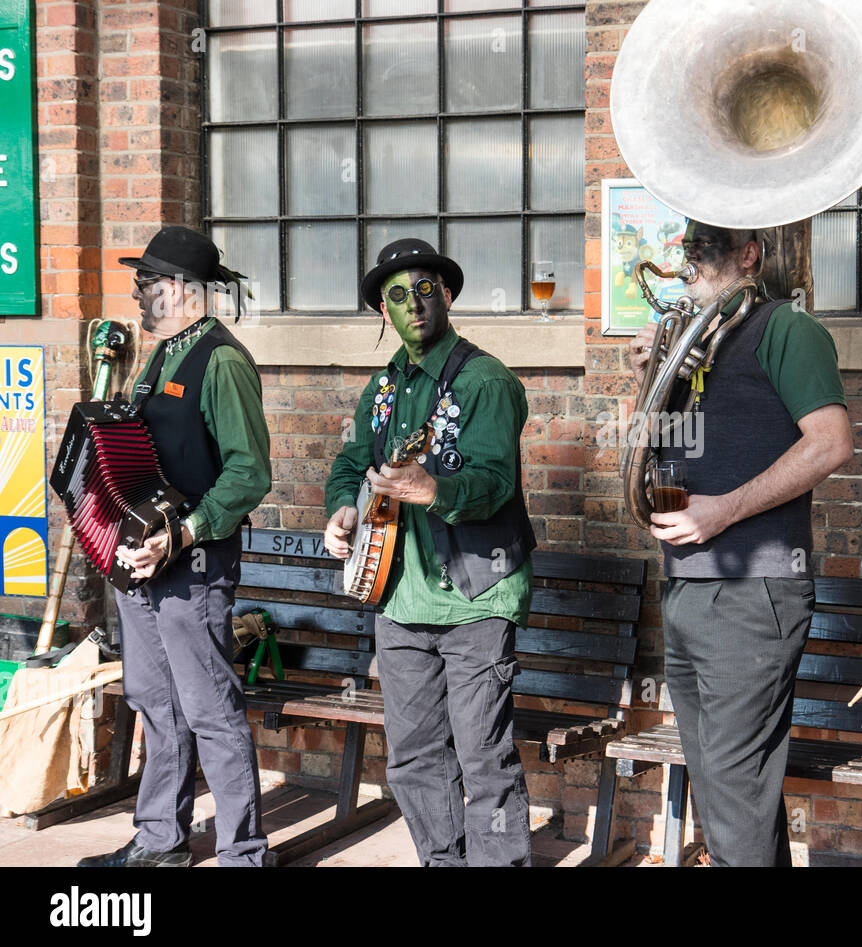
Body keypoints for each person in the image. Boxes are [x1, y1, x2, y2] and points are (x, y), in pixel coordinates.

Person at [627, 219, 854, 866]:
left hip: (752, 592)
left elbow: (831, 443)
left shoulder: (788, 328)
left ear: (748, 255)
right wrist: (650, 376)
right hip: (689, 586)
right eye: (685, 245)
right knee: (732, 793)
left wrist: (723, 511)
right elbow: (650, 449)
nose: (685, 257)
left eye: (702, 248)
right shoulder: (694, 340)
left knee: (730, 795)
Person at [323, 239, 535, 867]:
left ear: (446, 295)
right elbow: (350, 463)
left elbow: (495, 480)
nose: (412, 303)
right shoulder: (384, 388)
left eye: (424, 288)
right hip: (398, 597)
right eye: (396, 294)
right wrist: (343, 508)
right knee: (414, 756)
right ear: (382, 312)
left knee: (483, 757)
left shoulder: (484, 380)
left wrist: (433, 489)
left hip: (475, 597)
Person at [79, 226, 271, 867]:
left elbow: (249, 473)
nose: (136, 297)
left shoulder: (222, 362)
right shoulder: (156, 356)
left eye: (146, 285)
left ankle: (242, 852)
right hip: (141, 567)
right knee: (156, 706)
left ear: (184, 290)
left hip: (192, 566)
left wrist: (183, 533)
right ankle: (161, 840)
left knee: (210, 710)